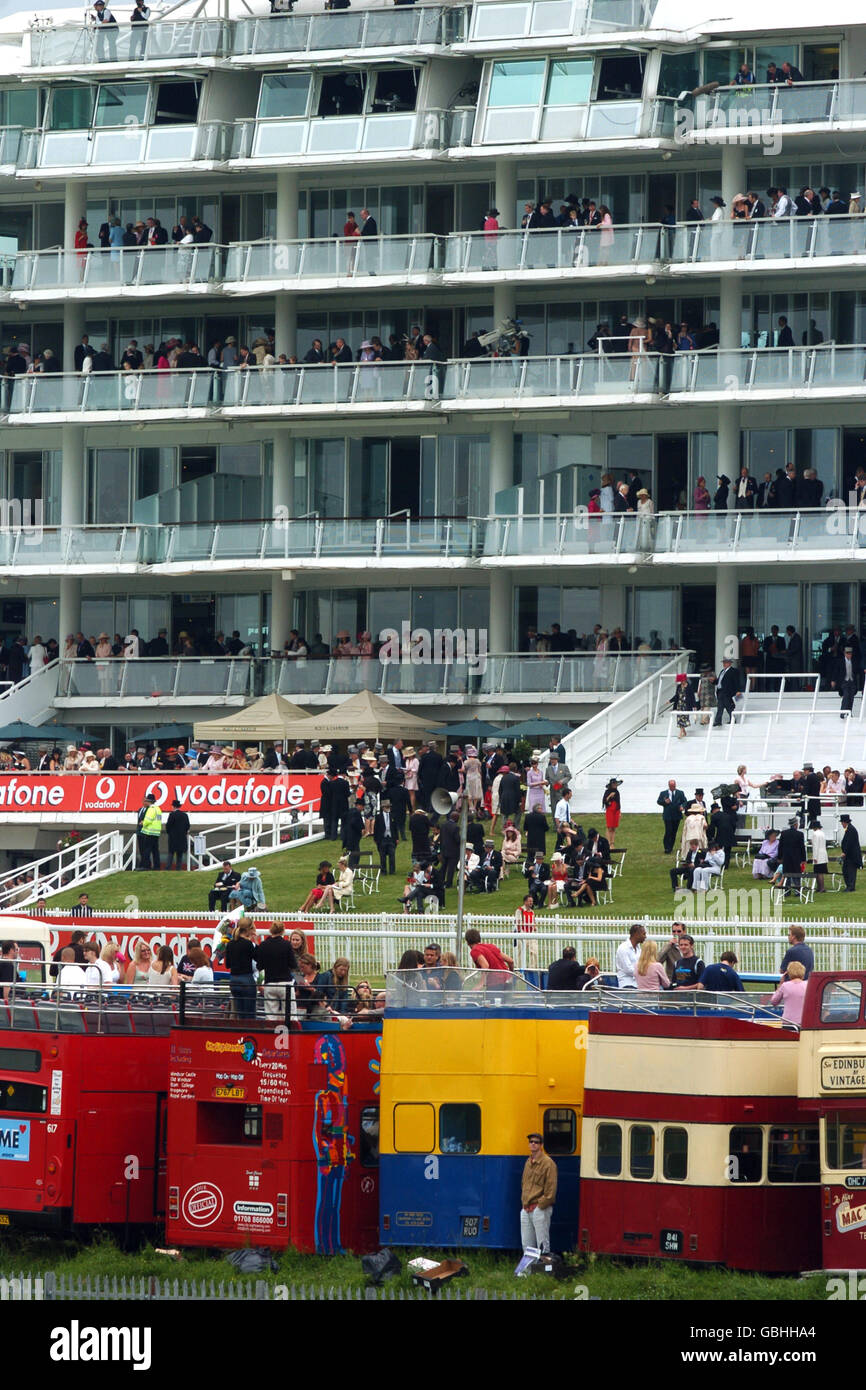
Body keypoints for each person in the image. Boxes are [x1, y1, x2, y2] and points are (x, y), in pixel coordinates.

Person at [520, 1133, 557, 1254]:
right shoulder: (528, 1162)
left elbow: (551, 1190)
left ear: (541, 1145)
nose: (533, 1144)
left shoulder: (548, 1163)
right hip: (526, 1208)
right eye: (531, 1142)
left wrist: (540, 1206)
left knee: (542, 1243)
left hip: (540, 1208)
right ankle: (528, 1270)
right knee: (526, 1244)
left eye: (536, 1142)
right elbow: (523, 1183)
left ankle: (544, 1269)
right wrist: (524, 1205)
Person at [225, 920, 258, 1020]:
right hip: (246, 979)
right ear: (249, 930)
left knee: (240, 1014)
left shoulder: (230, 944)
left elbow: (227, 965)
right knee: (249, 1014)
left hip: (234, 980)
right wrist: (255, 941)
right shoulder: (248, 944)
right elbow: (258, 958)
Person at [769, 960, 808, 1025]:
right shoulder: (808, 985)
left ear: (789, 973)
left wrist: (780, 985)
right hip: (804, 1021)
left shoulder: (785, 986)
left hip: (787, 1021)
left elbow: (774, 1001)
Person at [657, 779, 687, 853]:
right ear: (669, 786)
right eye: (671, 786)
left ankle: (670, 847)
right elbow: (659, 801)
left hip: (677, 815)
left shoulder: (680, 793)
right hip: (668, 816)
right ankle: (666, 847)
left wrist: (682, 806)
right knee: (668, 831)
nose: (673, 787)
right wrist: (664, 802)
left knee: (674, 832)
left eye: (674, 786)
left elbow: (685, 801)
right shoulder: (663, 793)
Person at [136, 792, 162, 870]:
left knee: (146, 850)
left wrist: (142, 822)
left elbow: (148, 820)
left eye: (146, 800)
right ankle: (157, 867)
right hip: (156, 833)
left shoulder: (151, 809)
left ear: (149, 801)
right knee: (155, 851)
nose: (145, 802)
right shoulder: (158, 809)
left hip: (149, 832)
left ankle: (145, 866)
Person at [615, 923, 645, 988]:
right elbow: (628, 970)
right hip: (627, 984)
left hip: (639, 984)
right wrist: (644, 973)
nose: (645, 936)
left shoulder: (638, 948)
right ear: (636, 934)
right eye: (643, 934)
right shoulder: (623, 948)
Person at [713, 657, 741, 726]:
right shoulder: (722, 671)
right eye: (724, 663)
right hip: (720, 691)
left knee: (728, 706)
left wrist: (738, 690)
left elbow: (736, 681)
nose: (724, 664)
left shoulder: (733, 671)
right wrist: (714, 681)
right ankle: (718, 721)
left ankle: (731, 719)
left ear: (729, 663)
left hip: (727, 692)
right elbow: (719, 681)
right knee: (720, 706)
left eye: (725, 663)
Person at [373, 798, 397, 875]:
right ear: (383, 808)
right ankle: (383, 871)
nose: (388, 808)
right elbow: (376, 828)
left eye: (389, 807)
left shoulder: (393, 815)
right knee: (382, 856)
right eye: (386, 807)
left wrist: (397, 838)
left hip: (391, 838)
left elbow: (395, 828)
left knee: (392, 855)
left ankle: (392, 871)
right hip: (382, 838)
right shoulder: (378, 817)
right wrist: (376, 839)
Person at [165, 798, 190, 870]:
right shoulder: (185, 815)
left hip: (173, 838)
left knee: (171, 853)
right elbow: (187, 826)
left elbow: (168, 826)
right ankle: (178, 868)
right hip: (182, 837)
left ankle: (168, 868)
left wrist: (169, 833)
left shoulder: (172, 815)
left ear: (174, 806)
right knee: (180, 854)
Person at [602, 777, 622, 848]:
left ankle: (612, 843)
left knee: (614, 827)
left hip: (616, 810)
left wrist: (620, 812)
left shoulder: (617, 792)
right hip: (610, 810)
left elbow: (619, 802)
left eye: (615, 783)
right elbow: (604, 801)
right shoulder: (607, 792)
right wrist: (610, 796)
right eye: (613, 784)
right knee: (609, 827)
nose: (615, 785)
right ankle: (608, 842)